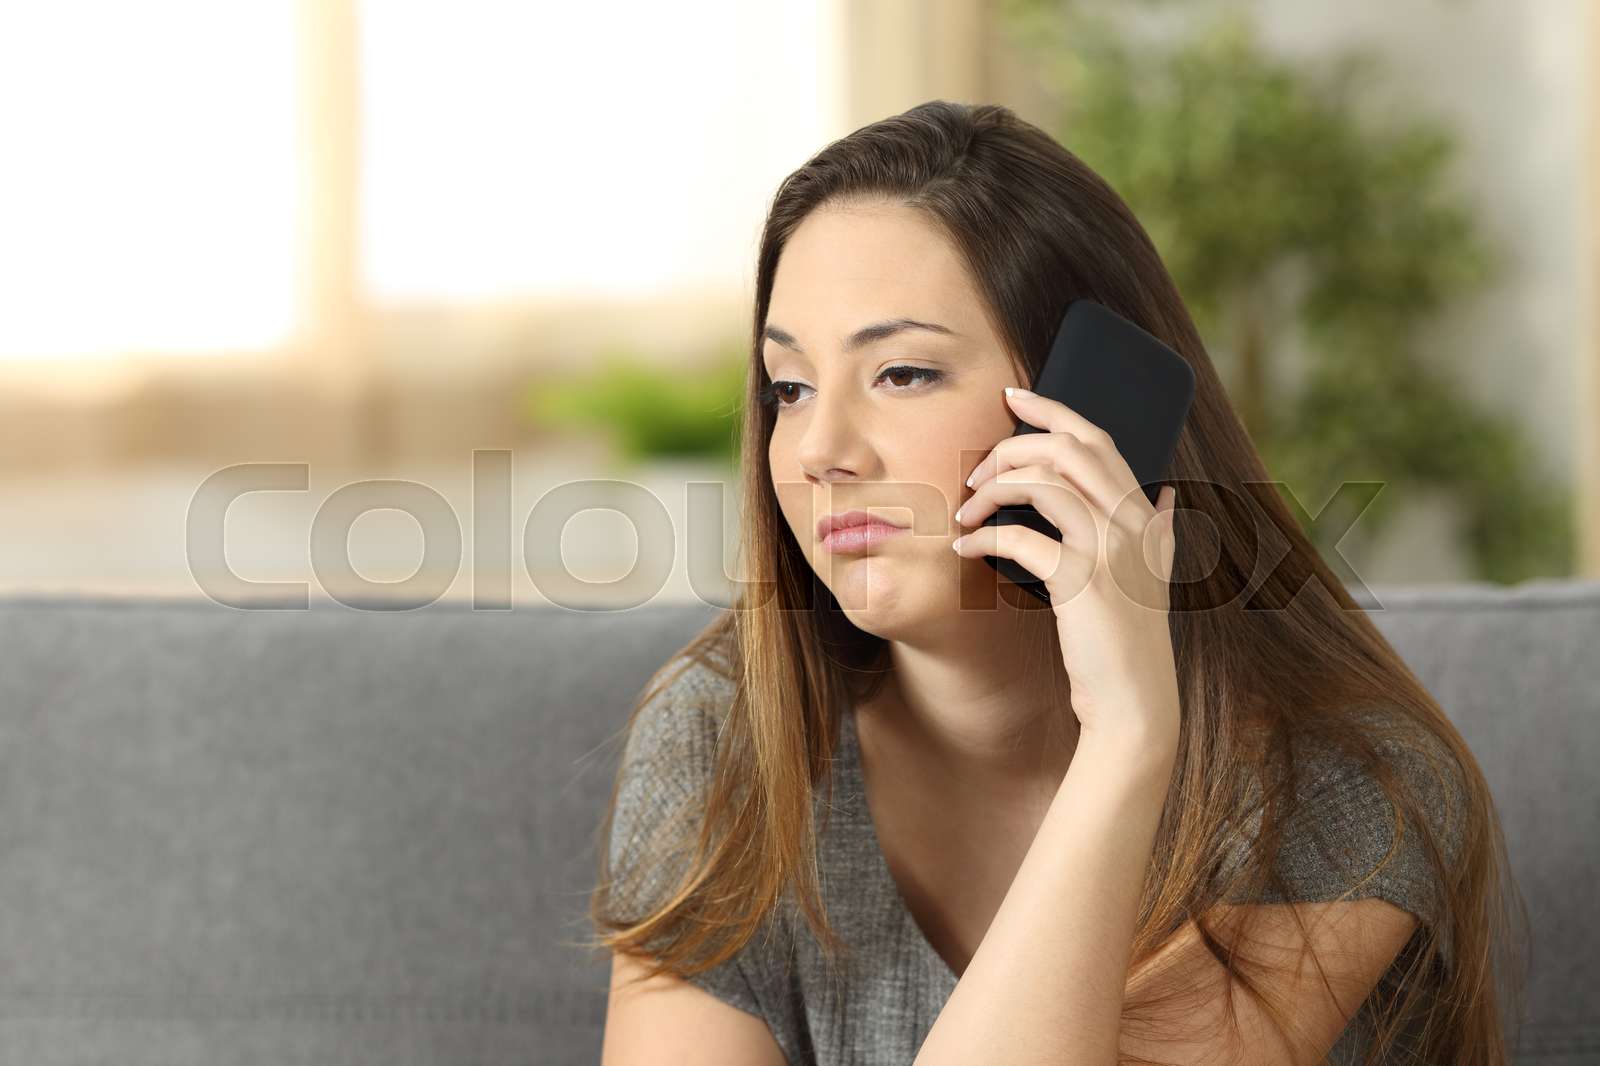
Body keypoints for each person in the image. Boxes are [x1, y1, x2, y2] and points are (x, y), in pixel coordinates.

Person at [582, 100, 1524, 1065]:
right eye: (790, 387)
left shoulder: (1343, 779)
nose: (819, 451)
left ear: (1089, 408)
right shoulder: (724, 735)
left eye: (903, 372)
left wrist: (1125, 740)